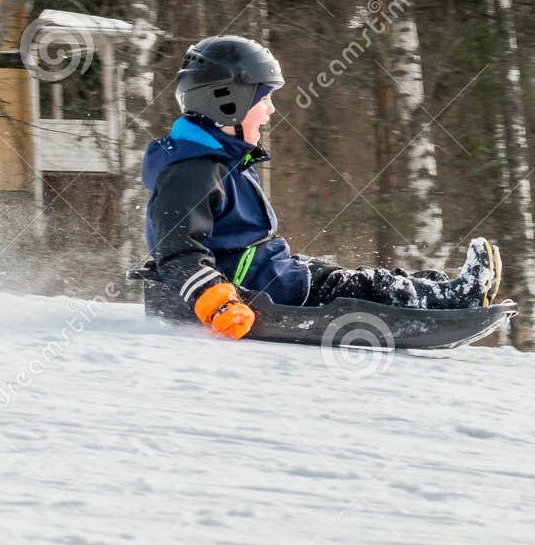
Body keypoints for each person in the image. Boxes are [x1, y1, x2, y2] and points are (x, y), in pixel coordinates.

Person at [136, 35, 501, 340]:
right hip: (256, 291)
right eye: (263, 99)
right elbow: (177, 247)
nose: (271, 110)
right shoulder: (192, 170)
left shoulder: (217, 160)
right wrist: (214, 299)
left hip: (271, 276)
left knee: (354, 281)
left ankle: (447, 292)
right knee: (358, 290)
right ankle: (454, 297)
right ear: (226, 102)